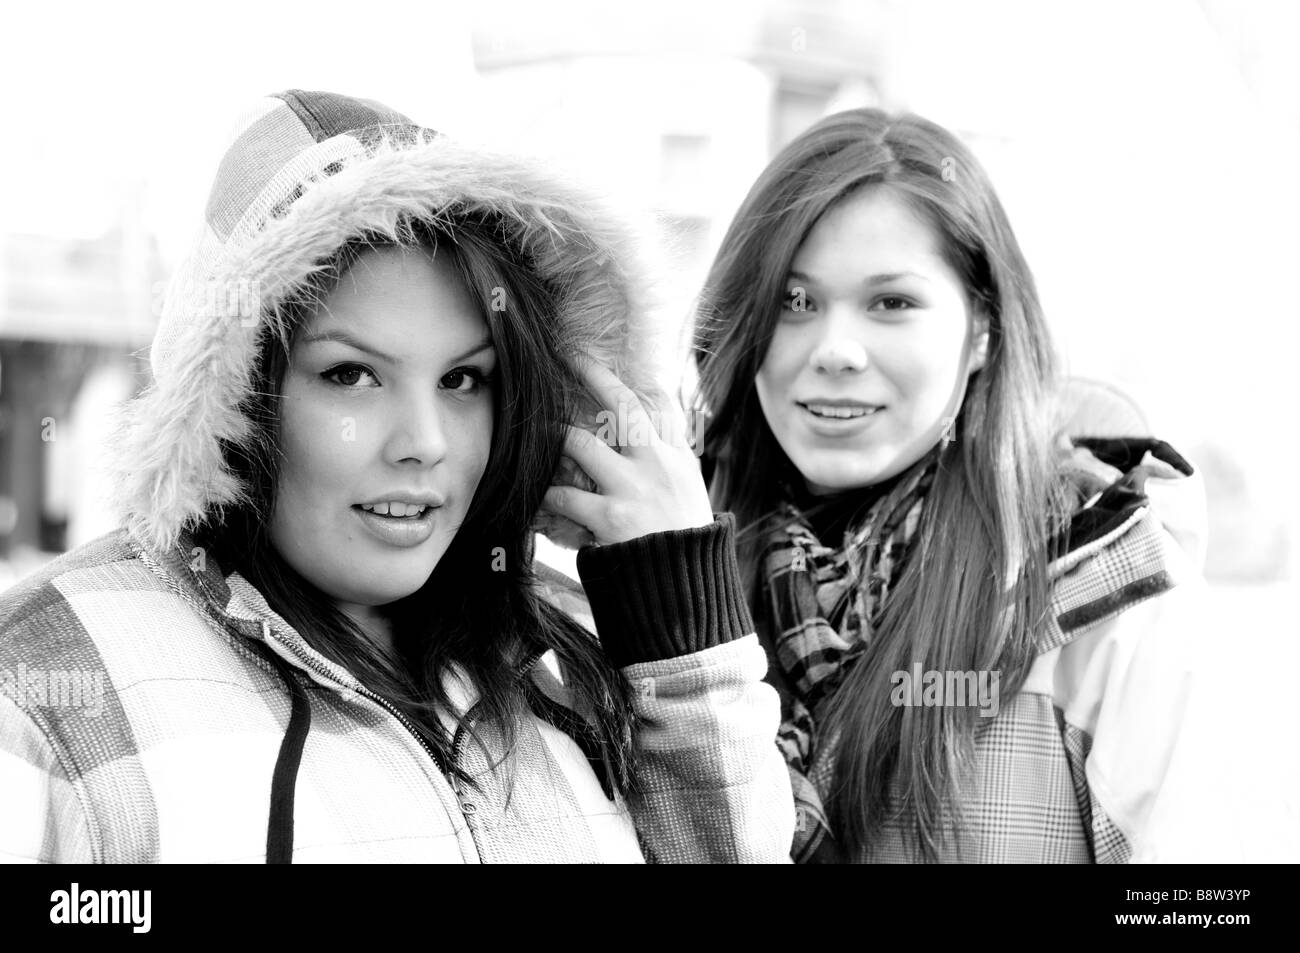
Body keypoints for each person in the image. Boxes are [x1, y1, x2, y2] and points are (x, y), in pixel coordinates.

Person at [0, 90, 792, 863]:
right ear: (231, 396)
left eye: (462, 381)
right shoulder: (49, 680)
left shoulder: (564, 655)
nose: (425, 443)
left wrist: (683, 621)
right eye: (351, 375)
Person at [690, 108, 1225, 863]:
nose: (835, 350)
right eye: (794, 301)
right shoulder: (676, 581)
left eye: (891, 302)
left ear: (980, 330)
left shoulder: (1107, 600)